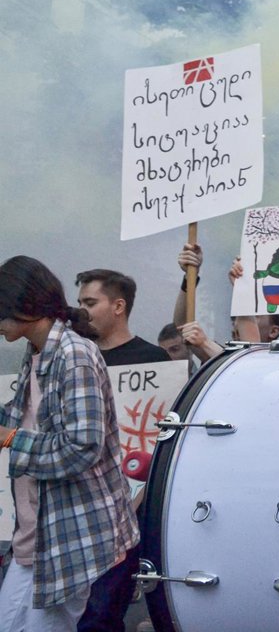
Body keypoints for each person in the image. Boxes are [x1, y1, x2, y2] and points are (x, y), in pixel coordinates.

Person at [0, 256, 138, 631]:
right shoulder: (37, 351)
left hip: (68, 535)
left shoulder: (74, 354)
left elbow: (82, 447)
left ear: (24, 307)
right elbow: (21, 418)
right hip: (37, 534)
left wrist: (11, 439)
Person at [73, 269, 169, 632]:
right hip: (76, 505)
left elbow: (160, 441)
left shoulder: (155, 359)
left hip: (124, 511)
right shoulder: (77, 357)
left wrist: (139, 497)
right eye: (80, 302)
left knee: (100, 613)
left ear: (118, 306)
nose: (82, 310)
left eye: (90, 302)